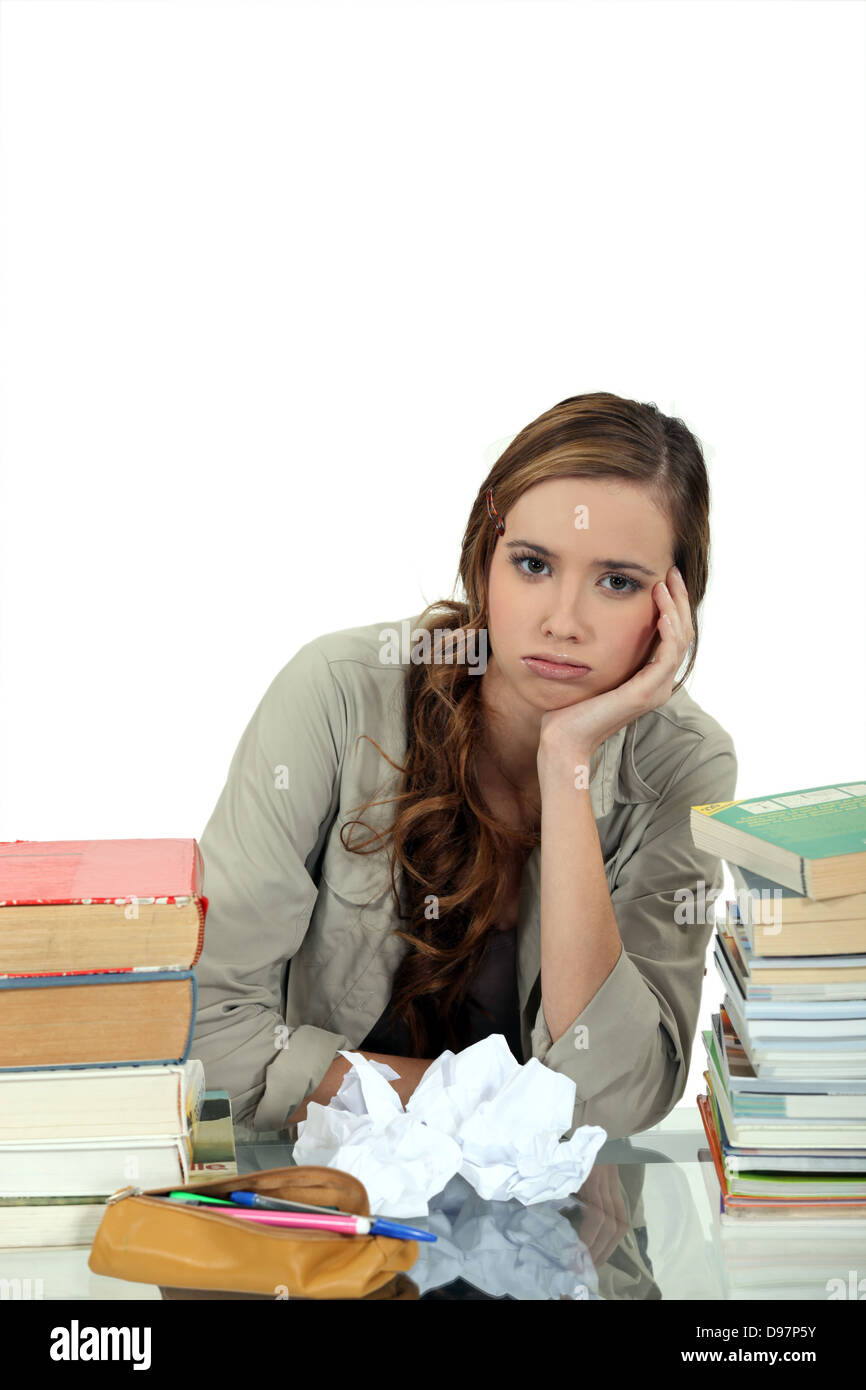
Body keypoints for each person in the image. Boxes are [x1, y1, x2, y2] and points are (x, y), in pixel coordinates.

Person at [191, 391, 737, 1141]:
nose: (563, 621)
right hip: (319, 1210)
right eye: (534, 563)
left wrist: (567, 759)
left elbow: (619, 1095)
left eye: (617, 582)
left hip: (557, 1233)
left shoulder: (685, 765)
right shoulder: (336, 694)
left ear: (675, 604)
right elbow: (208, 1040)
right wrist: (516, 1110)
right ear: (486, 557)